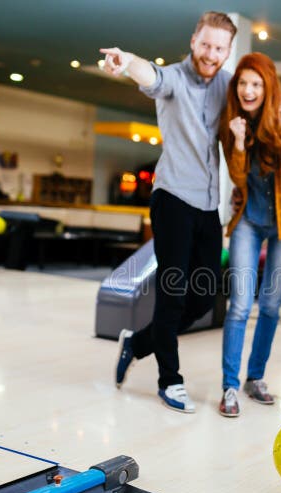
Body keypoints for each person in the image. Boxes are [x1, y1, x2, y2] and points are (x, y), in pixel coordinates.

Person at [99, 12, 236, 414]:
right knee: (173, 293)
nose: (211, 53)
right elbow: (150, 76)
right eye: (206, 44)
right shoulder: (175, 78)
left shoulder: (228, 85)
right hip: (173, 197)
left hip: (208, 205)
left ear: (228, 51)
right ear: (194, 41)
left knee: (204, 298)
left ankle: (138, 343)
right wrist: (126, 63)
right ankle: (169, 380)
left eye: (220, 48)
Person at [217, 53, 281, 417]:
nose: (248, 90)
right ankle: (229, 386)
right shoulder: (232, 123)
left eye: (255, 84)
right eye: (242, 84)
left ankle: (255, 378)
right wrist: (237, 142)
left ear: (267, 86)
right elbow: (238, 180)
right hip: (248, 222)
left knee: (270, 306)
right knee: (239, 305)